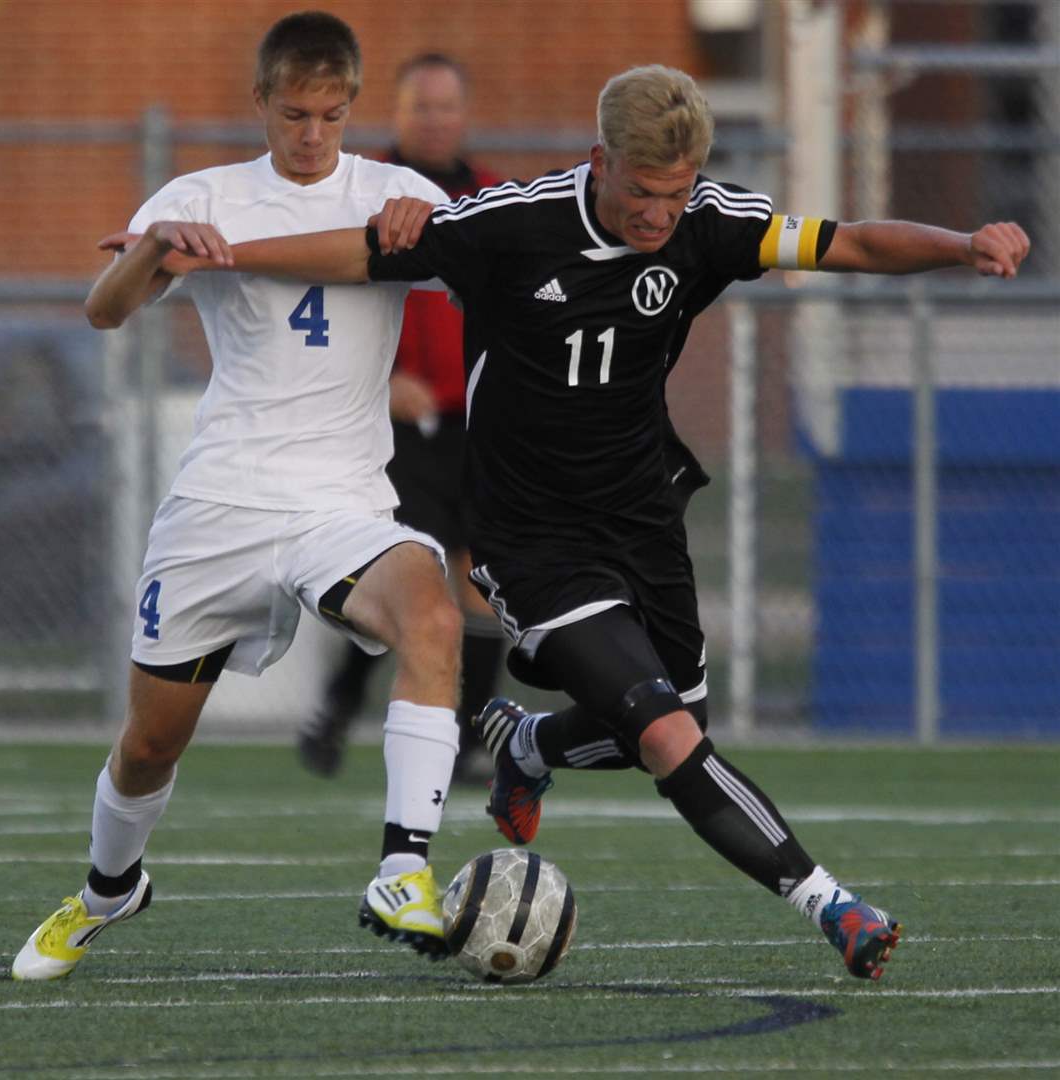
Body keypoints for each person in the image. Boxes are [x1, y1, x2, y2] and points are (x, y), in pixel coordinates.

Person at [130, 65, 1030, 982]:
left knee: (678, 719)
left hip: (642, 519)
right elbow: (361, 253)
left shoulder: (711, 220)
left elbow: (853, 246)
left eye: (675, 196)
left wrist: (962, 243)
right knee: (670, 737)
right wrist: (226, 251)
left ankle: (528, 741)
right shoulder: (513, 225)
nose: (658, 216)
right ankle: (834, 906)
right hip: (533, 539)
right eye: (641, 193)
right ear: (600, 162)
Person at [11, 12, 466, 981]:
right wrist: (153, 247)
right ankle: (109, 889)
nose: (312, 137)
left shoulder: (400, 194)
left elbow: (497, 288)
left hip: (342, 502)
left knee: (431, 609)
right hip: (221, 503)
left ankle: (404, 869)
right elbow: (105, 310)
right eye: (295, 114)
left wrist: (439, 240)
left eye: (332, 116)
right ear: (261, 100)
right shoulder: (205, 193)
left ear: (352, 106)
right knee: (147, 746)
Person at [298, 53, 504, 784]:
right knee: (396, 573)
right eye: (423, 107)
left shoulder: (486, 199)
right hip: (389, 430)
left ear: (465, 115)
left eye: (448, 107)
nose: (436, 120)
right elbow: (328, 307)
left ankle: (477, 732)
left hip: (475, 429)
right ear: (398, 113)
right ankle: (336, 708)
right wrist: (382, 381)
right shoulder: (364, 195)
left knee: (481, 578)